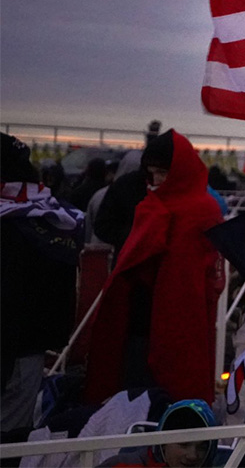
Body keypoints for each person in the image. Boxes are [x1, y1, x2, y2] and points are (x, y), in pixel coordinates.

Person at [84, 130, 225, 405]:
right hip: (140, 316)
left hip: (179, 316)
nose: (156, 180)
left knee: (167, 392)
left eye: (162, 172)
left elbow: (200, 272)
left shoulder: (200, 211)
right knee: (136, 395)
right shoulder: (156, 204)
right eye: (152, 173)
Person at [1, 133, 84, 433]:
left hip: (19, 347)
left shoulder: (16, 222)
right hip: (29, 349)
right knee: (12, 435)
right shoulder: (54, 217)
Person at [99, 399, 218, 467]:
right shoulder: (120, 465)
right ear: (163, 443)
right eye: (184, 444)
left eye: (202, 447)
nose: (193, 455)